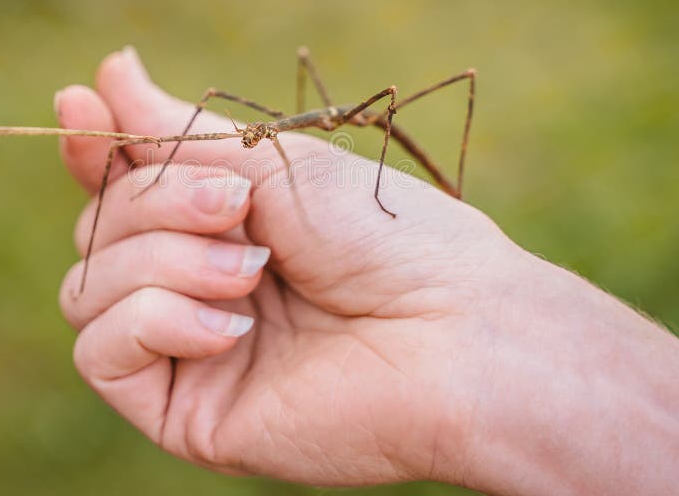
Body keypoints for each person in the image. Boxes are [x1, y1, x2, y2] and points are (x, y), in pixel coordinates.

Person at [53, 47, 679, 496]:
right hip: (328, 143)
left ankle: (440, 184)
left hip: (366, 123)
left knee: (456, 79)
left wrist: (363, 195)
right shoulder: (267, 133)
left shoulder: (348, 128)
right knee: (275, 86)